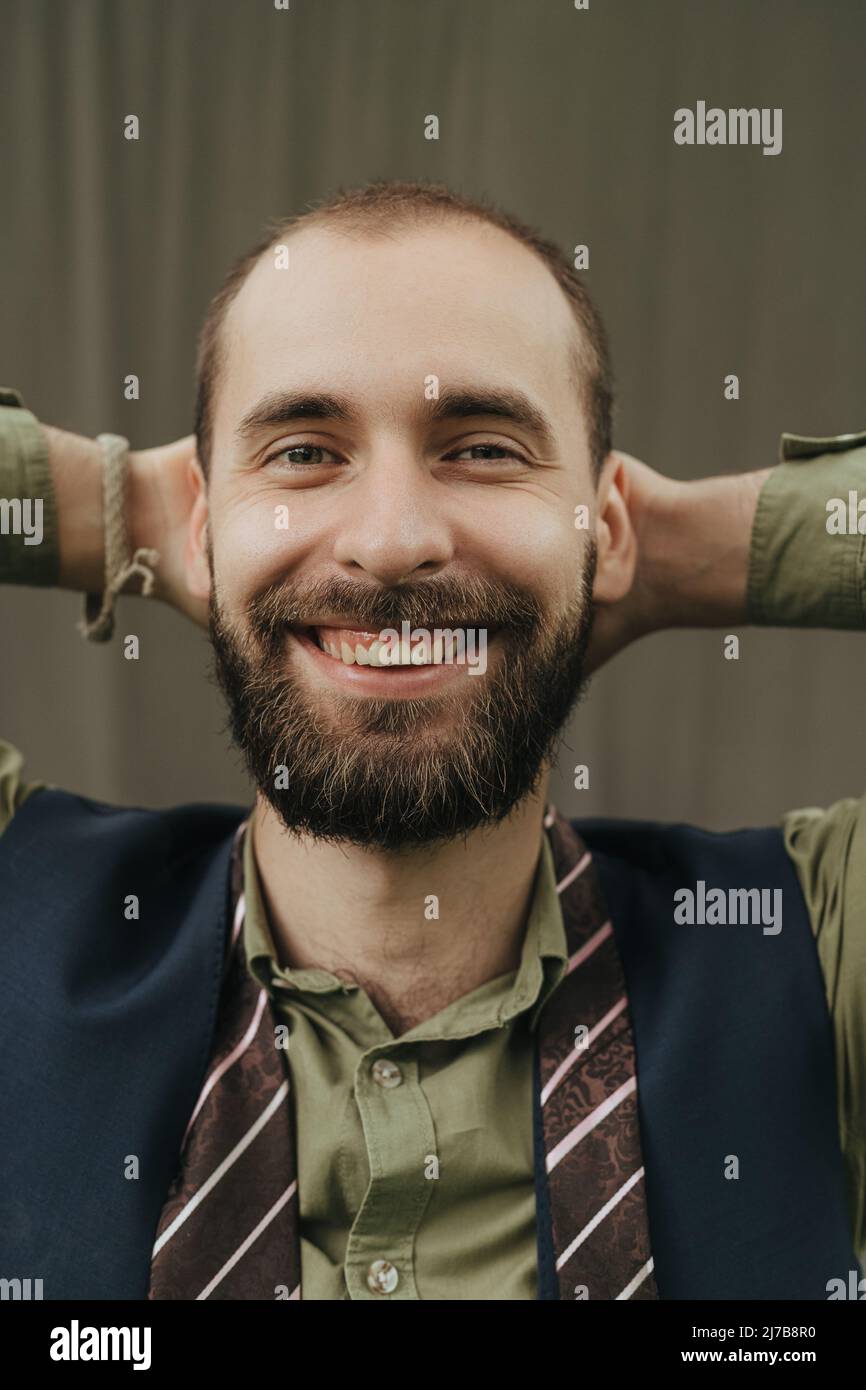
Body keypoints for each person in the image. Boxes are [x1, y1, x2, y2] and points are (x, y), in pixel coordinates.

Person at [0, 181, 863, 1302]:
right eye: (305, 452)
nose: (394, 539)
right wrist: (120, 507)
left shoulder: (816, 949)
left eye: (484, 448)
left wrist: (673, 550)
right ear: (203, 530)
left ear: (602, 528)